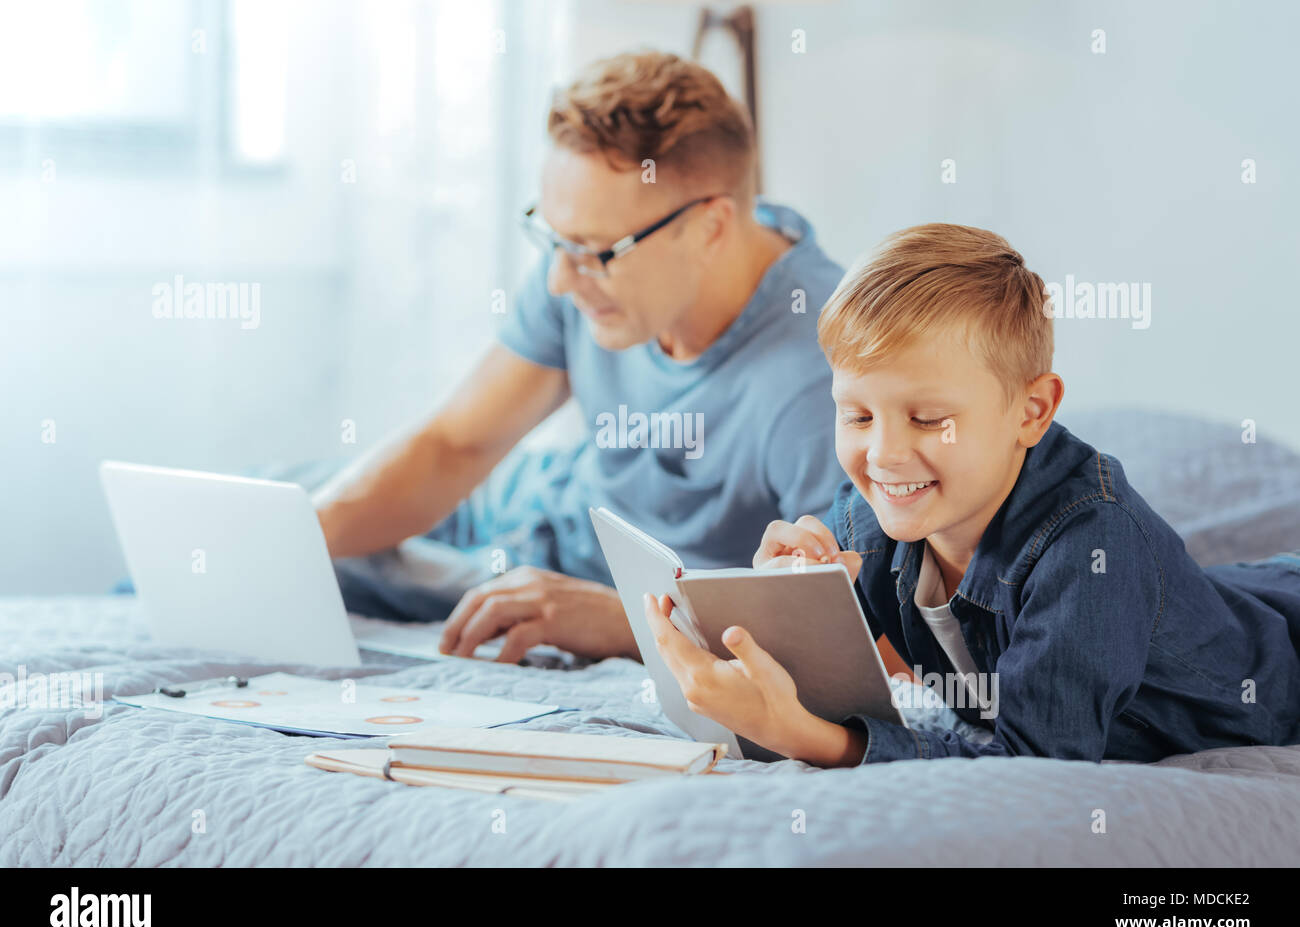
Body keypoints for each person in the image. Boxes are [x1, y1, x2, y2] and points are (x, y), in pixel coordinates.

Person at [645, 223, 1300, 765]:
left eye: (929, 419)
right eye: (859, 416)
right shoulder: (870, 519)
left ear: (1032, 411)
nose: (883, 455)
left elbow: (1036, 768)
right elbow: (809, 691)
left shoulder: (1092, 543)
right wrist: (785, 613)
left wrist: (809, 739)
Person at [313, 51, 845, 663]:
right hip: (520, 516)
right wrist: (298, 541)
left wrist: (628, 621)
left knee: (338, 571)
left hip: (576, 583)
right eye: (553, 239)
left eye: (595, 251)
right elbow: (455, 447)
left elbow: (842, 626)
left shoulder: (823, 373)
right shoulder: (588, 270)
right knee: (275, 514)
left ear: (711, 226)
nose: (561, 281)